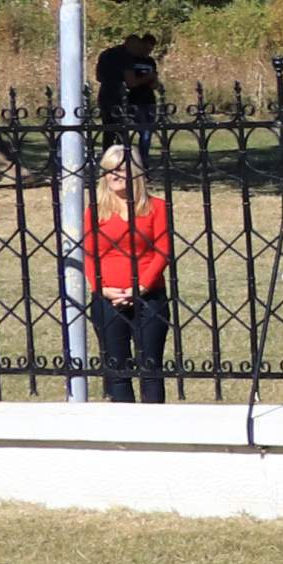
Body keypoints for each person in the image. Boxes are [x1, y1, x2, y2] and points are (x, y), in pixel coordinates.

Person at [82, 140, 173, 403]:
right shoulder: (95, 211)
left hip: (149, 297)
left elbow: (163, 251)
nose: (115, 175)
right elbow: (89, 255)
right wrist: (102, 288)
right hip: (108, 299)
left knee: (150, 369)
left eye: (121, 169)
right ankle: (124, 423)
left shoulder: (156, 207)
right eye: (110, 170)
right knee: (117, 370)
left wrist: (140, 288)